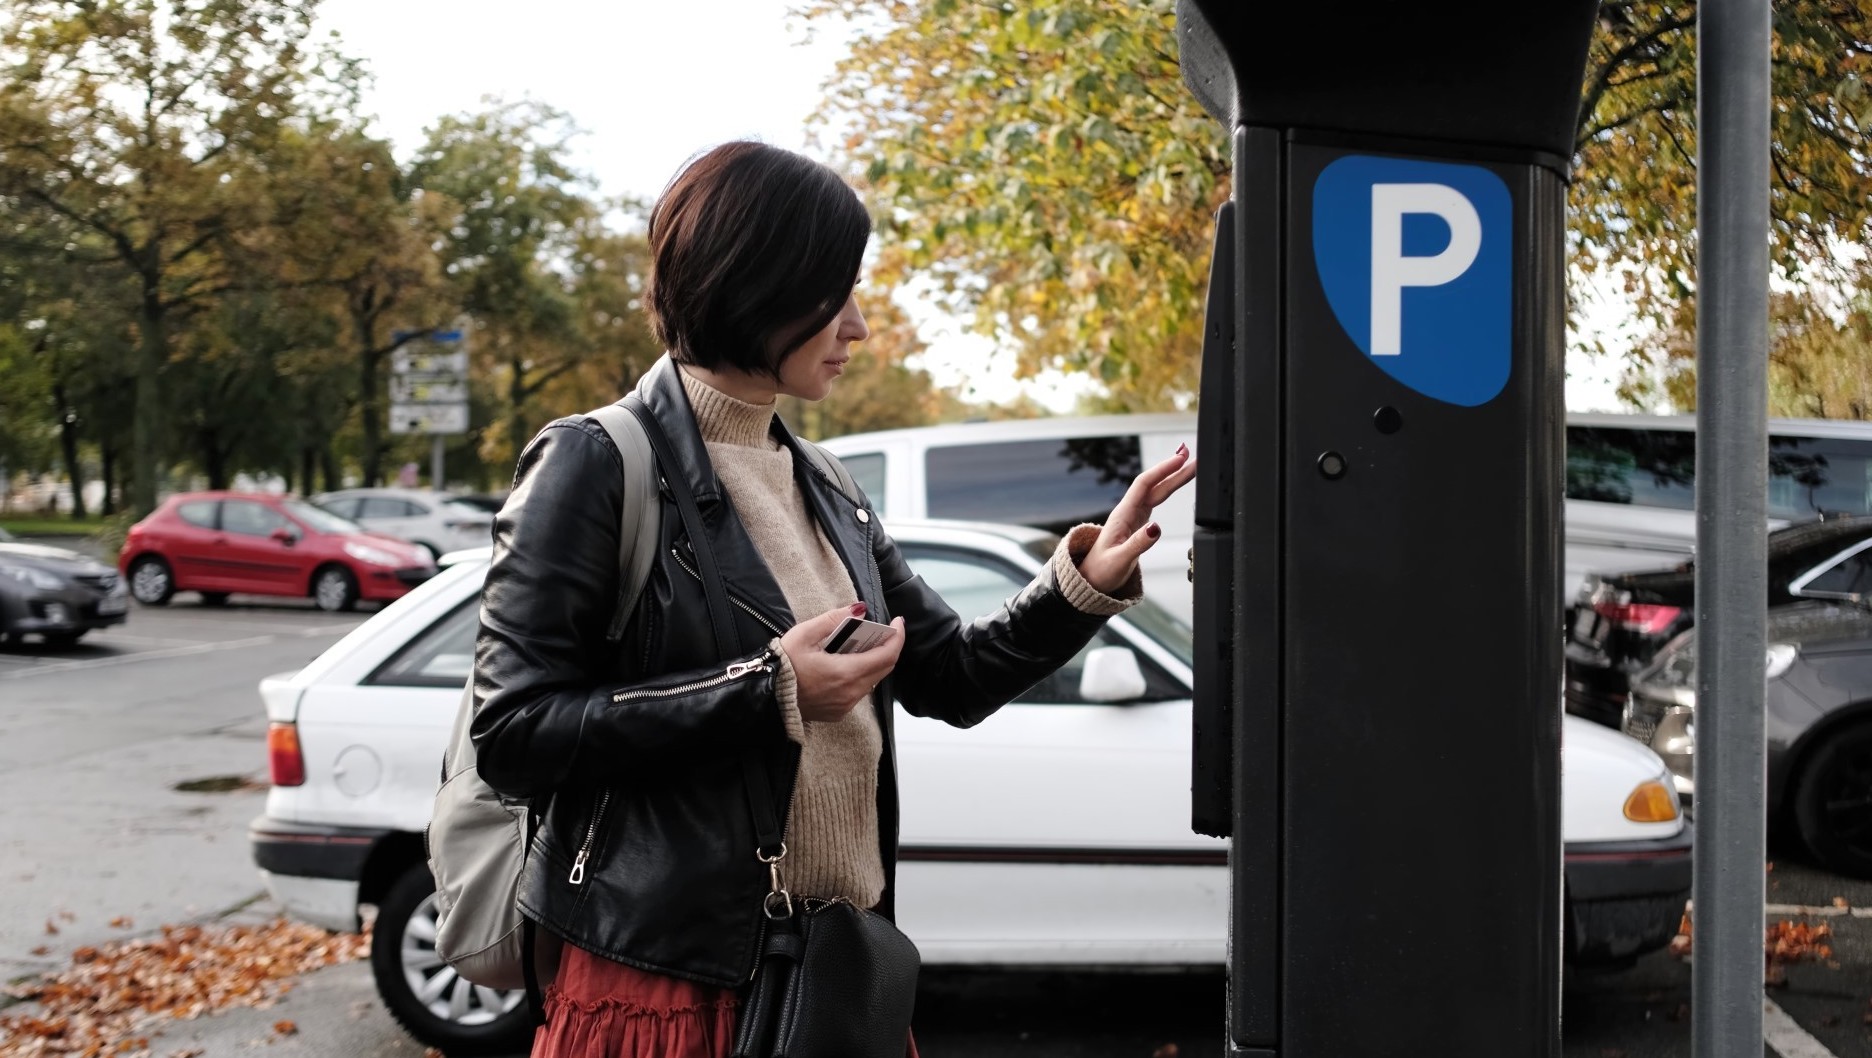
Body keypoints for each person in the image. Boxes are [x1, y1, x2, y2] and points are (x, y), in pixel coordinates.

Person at [470, 140, 1197, 1058]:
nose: (857, 327)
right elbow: (514, 734)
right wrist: (765, 693)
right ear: (758, 285)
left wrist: (1081, 581)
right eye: (836, 294)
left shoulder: (824, 481)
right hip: (670, 985)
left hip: (830, 973)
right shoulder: (595, 461)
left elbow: (952, 676)